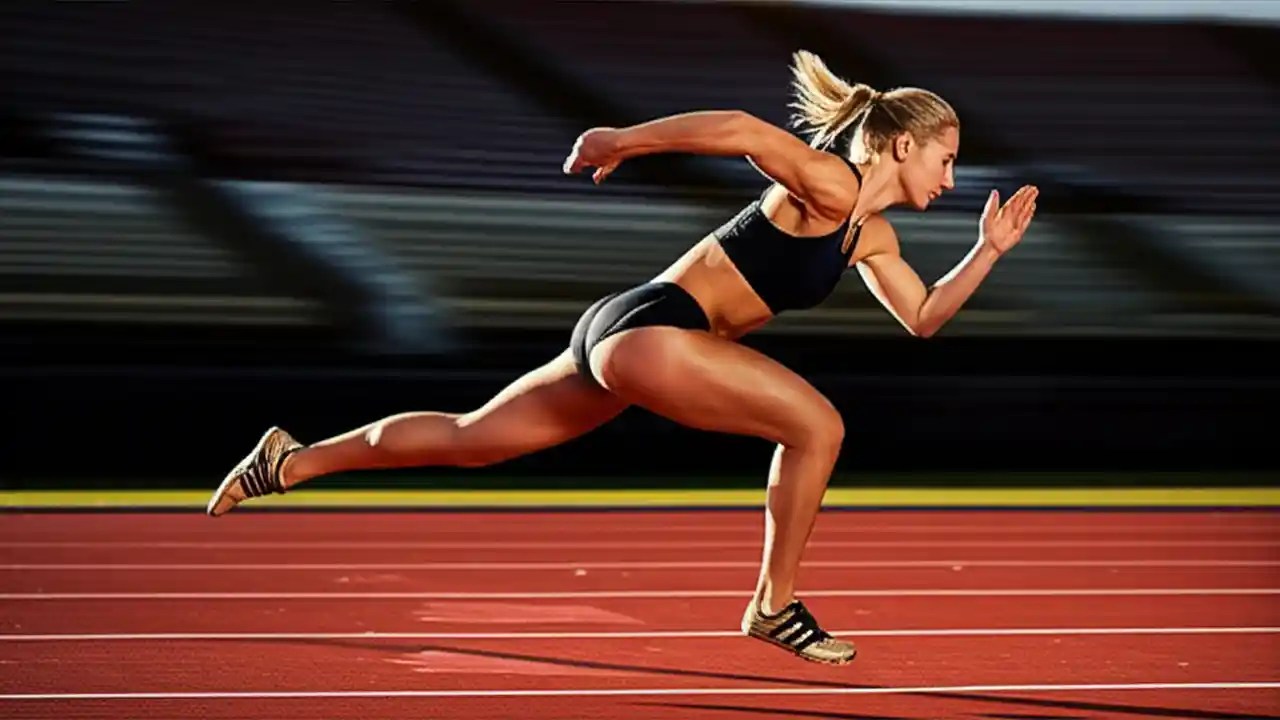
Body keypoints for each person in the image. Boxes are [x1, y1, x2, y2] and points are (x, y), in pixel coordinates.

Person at [206, 50, 1038, 666]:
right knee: (817, 427)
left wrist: (988, 252)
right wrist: (623, 140)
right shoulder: (831, 183)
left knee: (470, 437)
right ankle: (772, 607)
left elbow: (923, 317)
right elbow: (744, 131)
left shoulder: (873, 233)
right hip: (654, 333)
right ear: (901, 146)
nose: (953, 179)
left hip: (628, 329)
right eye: (946, 158)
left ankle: (289, 461)